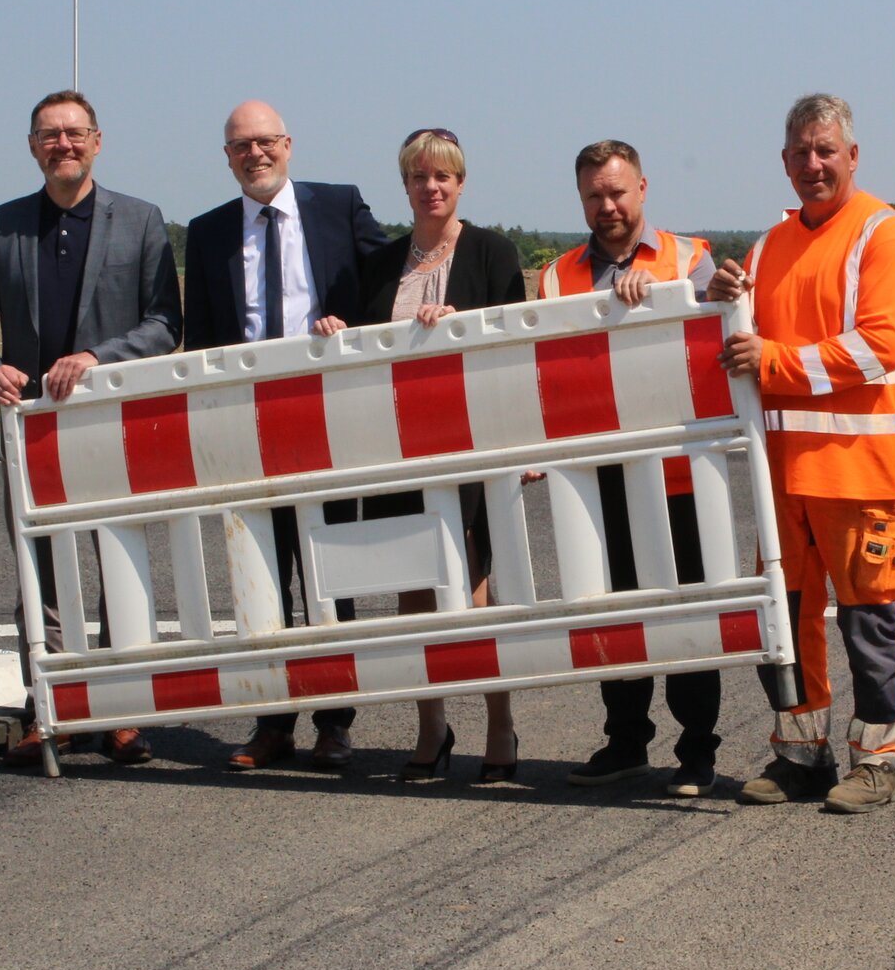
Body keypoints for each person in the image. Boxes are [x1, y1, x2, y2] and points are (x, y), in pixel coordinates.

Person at [709, 94, 895, 813]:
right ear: (784, 162)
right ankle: (801, 755)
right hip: (785, 479)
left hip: (862, 473)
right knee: (787, 621)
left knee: (870, 622)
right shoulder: (767, 248)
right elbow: (740, 341)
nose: (813, 164)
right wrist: (722, 297)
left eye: (825, 150)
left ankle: (879, 760)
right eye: (801, 152)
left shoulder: (883, 234)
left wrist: (773, 359)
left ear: (852, 156)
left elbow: (882, 345)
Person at [0, 89, 182, 769]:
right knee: (41, 571)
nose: (64, 144)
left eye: (75, 133)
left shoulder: (141, 220)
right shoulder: (1, 225)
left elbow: (165, 323)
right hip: (30, 426)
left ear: (97, 141)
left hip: (113, 422)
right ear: (32, 147)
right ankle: (48, 707)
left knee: (119, 565)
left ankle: (120, 709)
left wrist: (97, 358)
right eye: (50, 135)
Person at [183, 100, 390, 772]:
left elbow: (388, 284)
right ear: (227, 157)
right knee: (260, 583)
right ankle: (273, 724)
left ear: (288, 144)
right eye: (241, 146)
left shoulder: (339, 206)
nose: (256, 154)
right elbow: (202, 337)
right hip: (246, 433)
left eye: (265, 141)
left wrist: (353, 329)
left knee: (329, 580)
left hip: (326, 421)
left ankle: (334, 722)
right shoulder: (208, 232)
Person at [541, 141, 723, 799]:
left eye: (617, 192)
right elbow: (546, 372)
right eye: (594, 195)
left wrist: (660, 301)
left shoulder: (688, 258)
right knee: (612, 611)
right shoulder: (555, 276)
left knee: (688, 614)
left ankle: (697, 752)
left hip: (677, 474)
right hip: (597, 481)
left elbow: (716, 339)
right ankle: (625, 742)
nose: (608, 206)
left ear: (642, 188)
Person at [360, 128, 527, 784]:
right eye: (419, 177)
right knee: (414, 593)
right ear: (404, 184)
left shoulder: (491, 251)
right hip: (398, 447)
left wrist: (463, 328)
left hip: (471, 442)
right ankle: (431, 726)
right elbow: (357, 338)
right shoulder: (379, 262)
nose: (431, 187)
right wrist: (332, 327)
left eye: (443, 177)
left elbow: (514, 345)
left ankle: (499, 724)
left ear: (461, 183)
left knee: (475, 594)